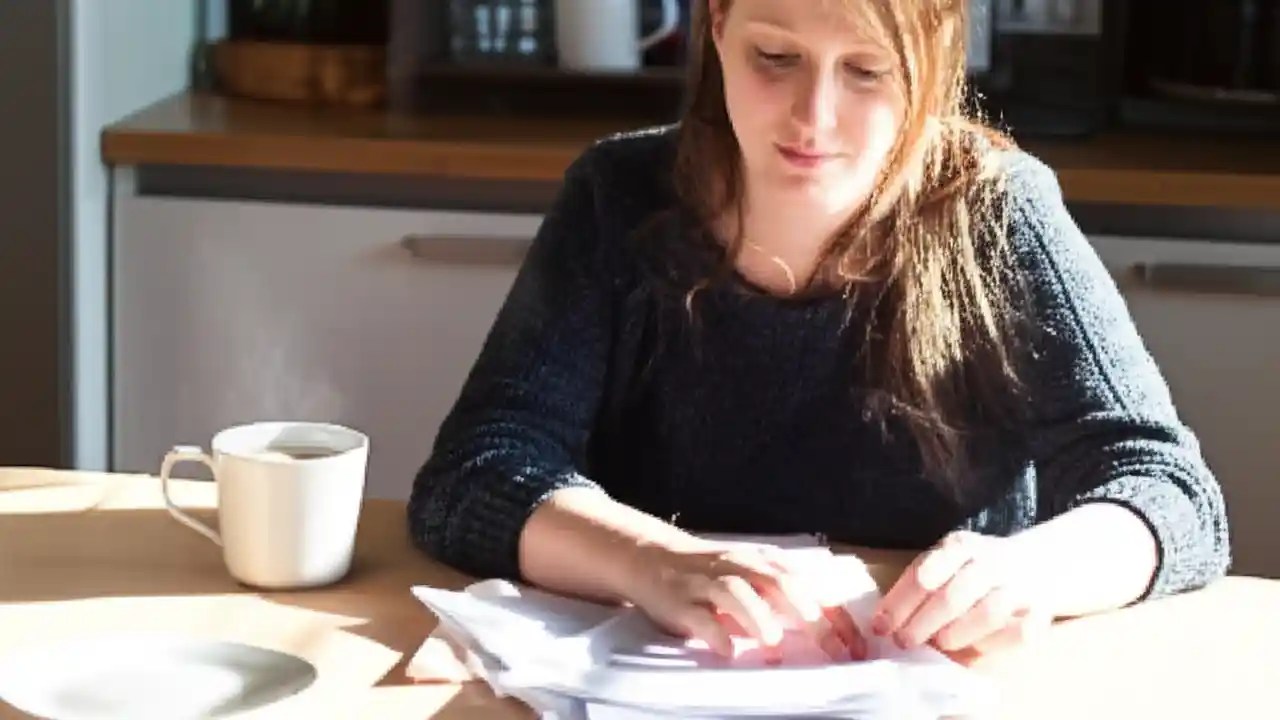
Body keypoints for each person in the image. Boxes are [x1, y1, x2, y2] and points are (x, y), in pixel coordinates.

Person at [407, 0, 1230, 663]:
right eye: (777, 58)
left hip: (925, 683)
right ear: (717, 25)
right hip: (665, 677)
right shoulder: (617, 195)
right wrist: (652, 562)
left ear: (930, 61)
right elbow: (473, 474)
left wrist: (1034, 571)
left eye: (866, 70)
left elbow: (1167, 490)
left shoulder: (998, 213)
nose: (815, 117)